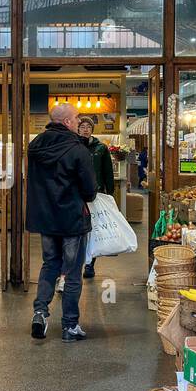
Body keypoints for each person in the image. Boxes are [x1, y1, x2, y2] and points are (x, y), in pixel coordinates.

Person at [27, 102, 97, 342]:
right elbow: (90, 190)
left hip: (46, 219)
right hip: (72, 220)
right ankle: (69, 325)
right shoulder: (78, 149)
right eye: (76, 118)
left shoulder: (35, 146)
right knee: (73, 272)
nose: (79, 122)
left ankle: (40, 312)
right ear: (67, 122)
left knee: (49, 266)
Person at [77, 116, 115, 280]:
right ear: (78, 129)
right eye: (82, 126)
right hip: (76, 195)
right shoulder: (74, 146)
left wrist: (110, 193)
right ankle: (75, 263)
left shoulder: (101, 148)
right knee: (77, 231)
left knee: (94, 230)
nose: (85, 129)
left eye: (88, 126)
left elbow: (108, 171)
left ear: (92, 129)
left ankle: (90, 264)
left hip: (96, 194)